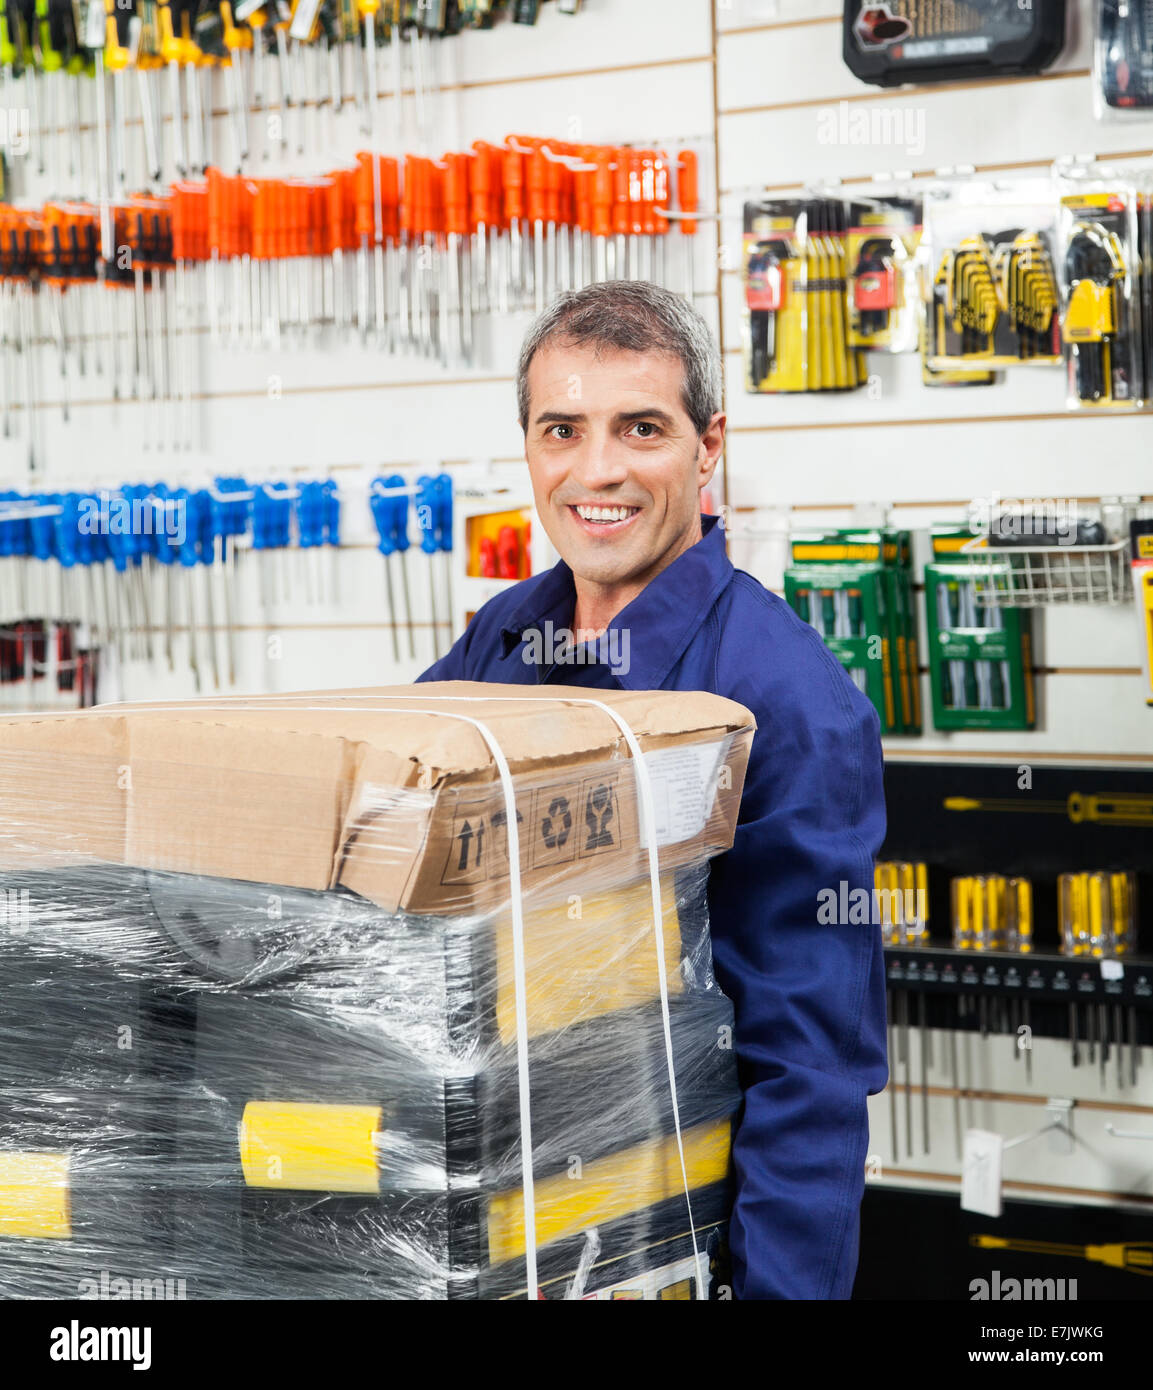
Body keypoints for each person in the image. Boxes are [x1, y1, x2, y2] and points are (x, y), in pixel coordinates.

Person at [418, 280, 888, 1300]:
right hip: (494, 1227)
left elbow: (807, 1066)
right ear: (528, 446)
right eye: (562, 430)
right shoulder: (499, 639)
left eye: (640, 428)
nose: (598, 471)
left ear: (707, 445)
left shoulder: (783, 697)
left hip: (664, 1247)